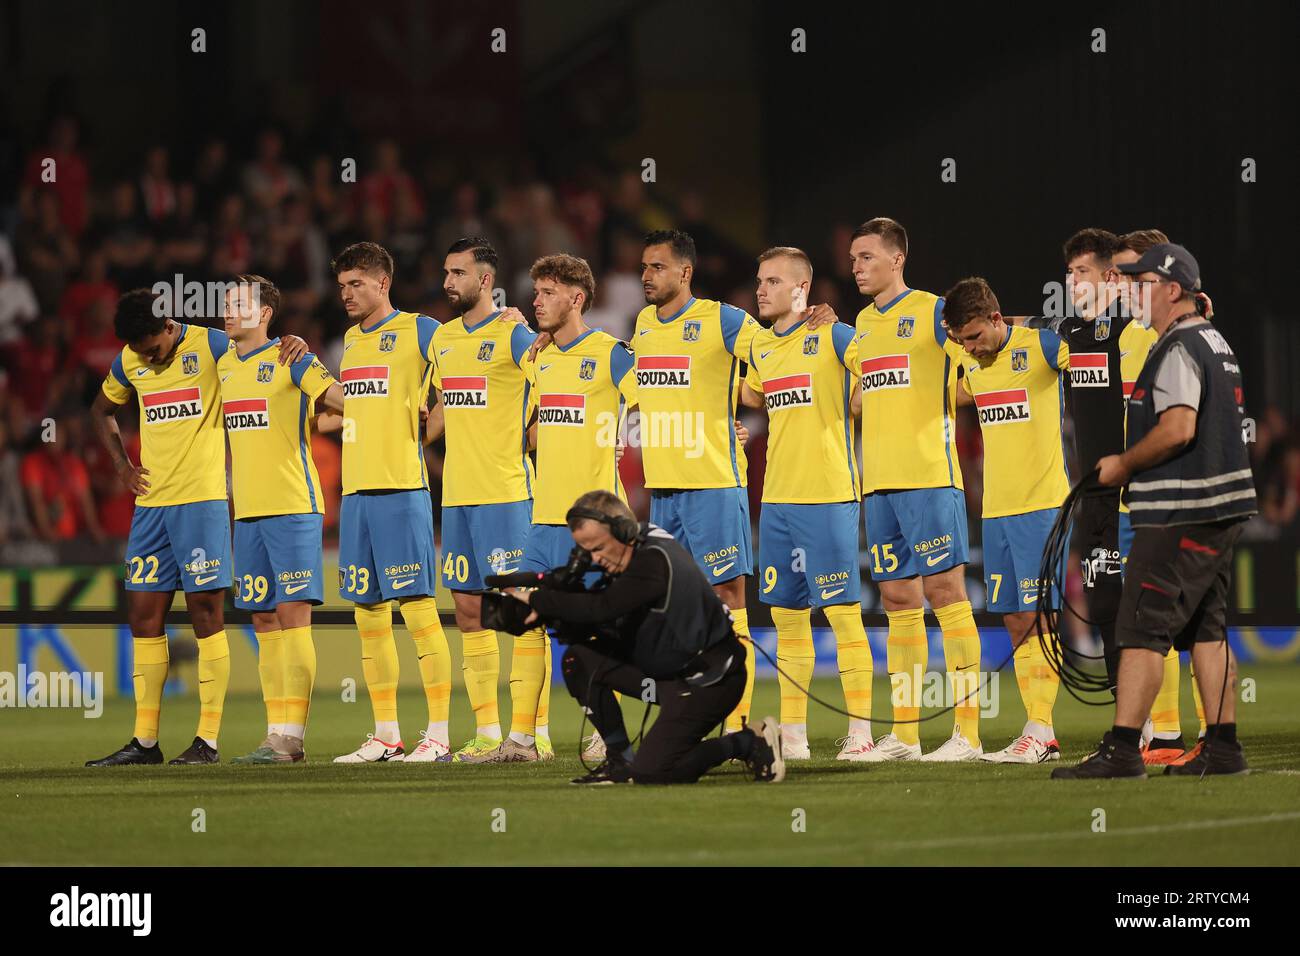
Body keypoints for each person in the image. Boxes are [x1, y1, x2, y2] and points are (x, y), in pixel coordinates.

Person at [1054, 243, 1257, 779]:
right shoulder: (1212, 338)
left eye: (1141, 283)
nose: (1130, 293)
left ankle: (1123, 749)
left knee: (1141, 627)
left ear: (1172, 290)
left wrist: (1122, 463)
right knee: (1209, 632)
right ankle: (1223, 746)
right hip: (1220, 506)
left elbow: (1178, 428)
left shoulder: (1176, 347)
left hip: (1180, 510)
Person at [86, 288, 307, 766]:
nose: (148, 358)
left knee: (207, 617)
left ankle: (206, 741)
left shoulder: (211, 345)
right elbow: (101, 410)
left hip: (203, 504)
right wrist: (123, 468)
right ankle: (144, 742)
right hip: (151, 508)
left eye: (153, 349)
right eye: (141, 353)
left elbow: (260, 349)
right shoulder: (130, 360)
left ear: (168, 326)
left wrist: (293, 343)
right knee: (143, 618)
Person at [499, 490, 785, 785]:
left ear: (622, 531)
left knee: (653, 773)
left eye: (597, 548)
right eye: (587, 550)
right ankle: (619, 761)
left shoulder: (652, 563)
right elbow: (607, 616)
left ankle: (749, 742)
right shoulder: (640, 544)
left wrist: (538, 602)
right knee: (579, 660)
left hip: (709, 682)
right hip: (669, 673)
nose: (594, 558)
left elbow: (602, 608)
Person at [737, 247, 877, 761]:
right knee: (787, 619)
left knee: (843, 615)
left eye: (773, 281)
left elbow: (878, 366)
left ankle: (860, 734)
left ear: (801, 289)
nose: (761, 290)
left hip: (828, 495)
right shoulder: (763, 349)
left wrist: (856, 400)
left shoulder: (834, 335)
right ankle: (793, 733)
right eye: (759, 280)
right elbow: (753, 395)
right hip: (776, 502)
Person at [851, 218, 981, 761]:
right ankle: (905, 734)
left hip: (929, 478)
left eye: (866, 257)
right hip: (877, 483)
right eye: (854, 259)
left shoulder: (933, 312)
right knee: (898, 602)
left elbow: (978, 365)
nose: (856, 267)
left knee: (947, 596)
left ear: (897, 259)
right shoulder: (861, 322)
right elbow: (859, 396)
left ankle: (968, 734)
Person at [328, 242, 454, 764]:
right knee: (369, 615)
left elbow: (460, 375)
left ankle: (440, 736)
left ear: (383, 283)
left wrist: (429, 432)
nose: (347, 295)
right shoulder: (351, 340)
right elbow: (354, 407)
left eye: (356, 284)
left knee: (421, 613)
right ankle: (386, 735)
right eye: (341, 286)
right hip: (356, 493)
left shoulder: (422, 330)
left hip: (402, 490)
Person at [427, 237, 549, 761]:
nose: (448, 282)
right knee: (469, 610)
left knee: (520, 612)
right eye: (446, 272)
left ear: (485, 280)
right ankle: (486, 733)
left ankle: (533, 734)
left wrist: (528, 437)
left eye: (458, 273)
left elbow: (555, 390)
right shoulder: (443, 340)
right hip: (458, 499)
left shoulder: (515, 335)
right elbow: (438, 412)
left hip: (506, 495)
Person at [944, 277, 1069, 763]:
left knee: (1042, 617)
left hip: (1042, 505)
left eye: (975, 337)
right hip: (995, 510)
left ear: (998, 320)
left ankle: (1041, 727)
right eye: (962, 341)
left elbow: (1095, 354)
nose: (970, 349)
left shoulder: (1040, 346)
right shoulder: (970, 363)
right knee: (1016, 619)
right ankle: (1040, 730)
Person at [219, 275, 340, 763]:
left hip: (293, 507)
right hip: (246, 513)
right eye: (225, 303)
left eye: (238, 304)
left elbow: (340, 401)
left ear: (265, 313)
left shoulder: (292, 358)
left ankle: (293, 736)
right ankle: (274, 734)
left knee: (293, 619)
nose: (227, 311)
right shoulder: (222, 363)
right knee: (263, 619)